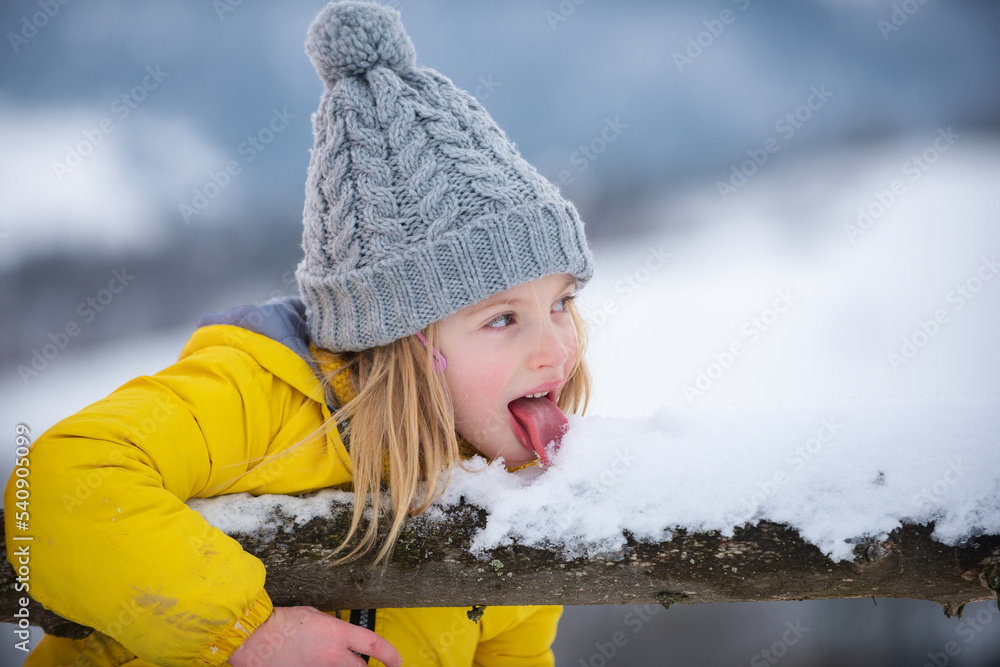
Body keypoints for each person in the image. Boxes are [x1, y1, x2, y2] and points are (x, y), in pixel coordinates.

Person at [5, 1, 595, 665]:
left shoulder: (511, 479)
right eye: (503, 318)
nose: (555, 350)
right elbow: (59, 484)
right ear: (397, 338)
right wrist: (244, 634)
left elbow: (512, 651)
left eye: (562, 303)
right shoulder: (257, 398)